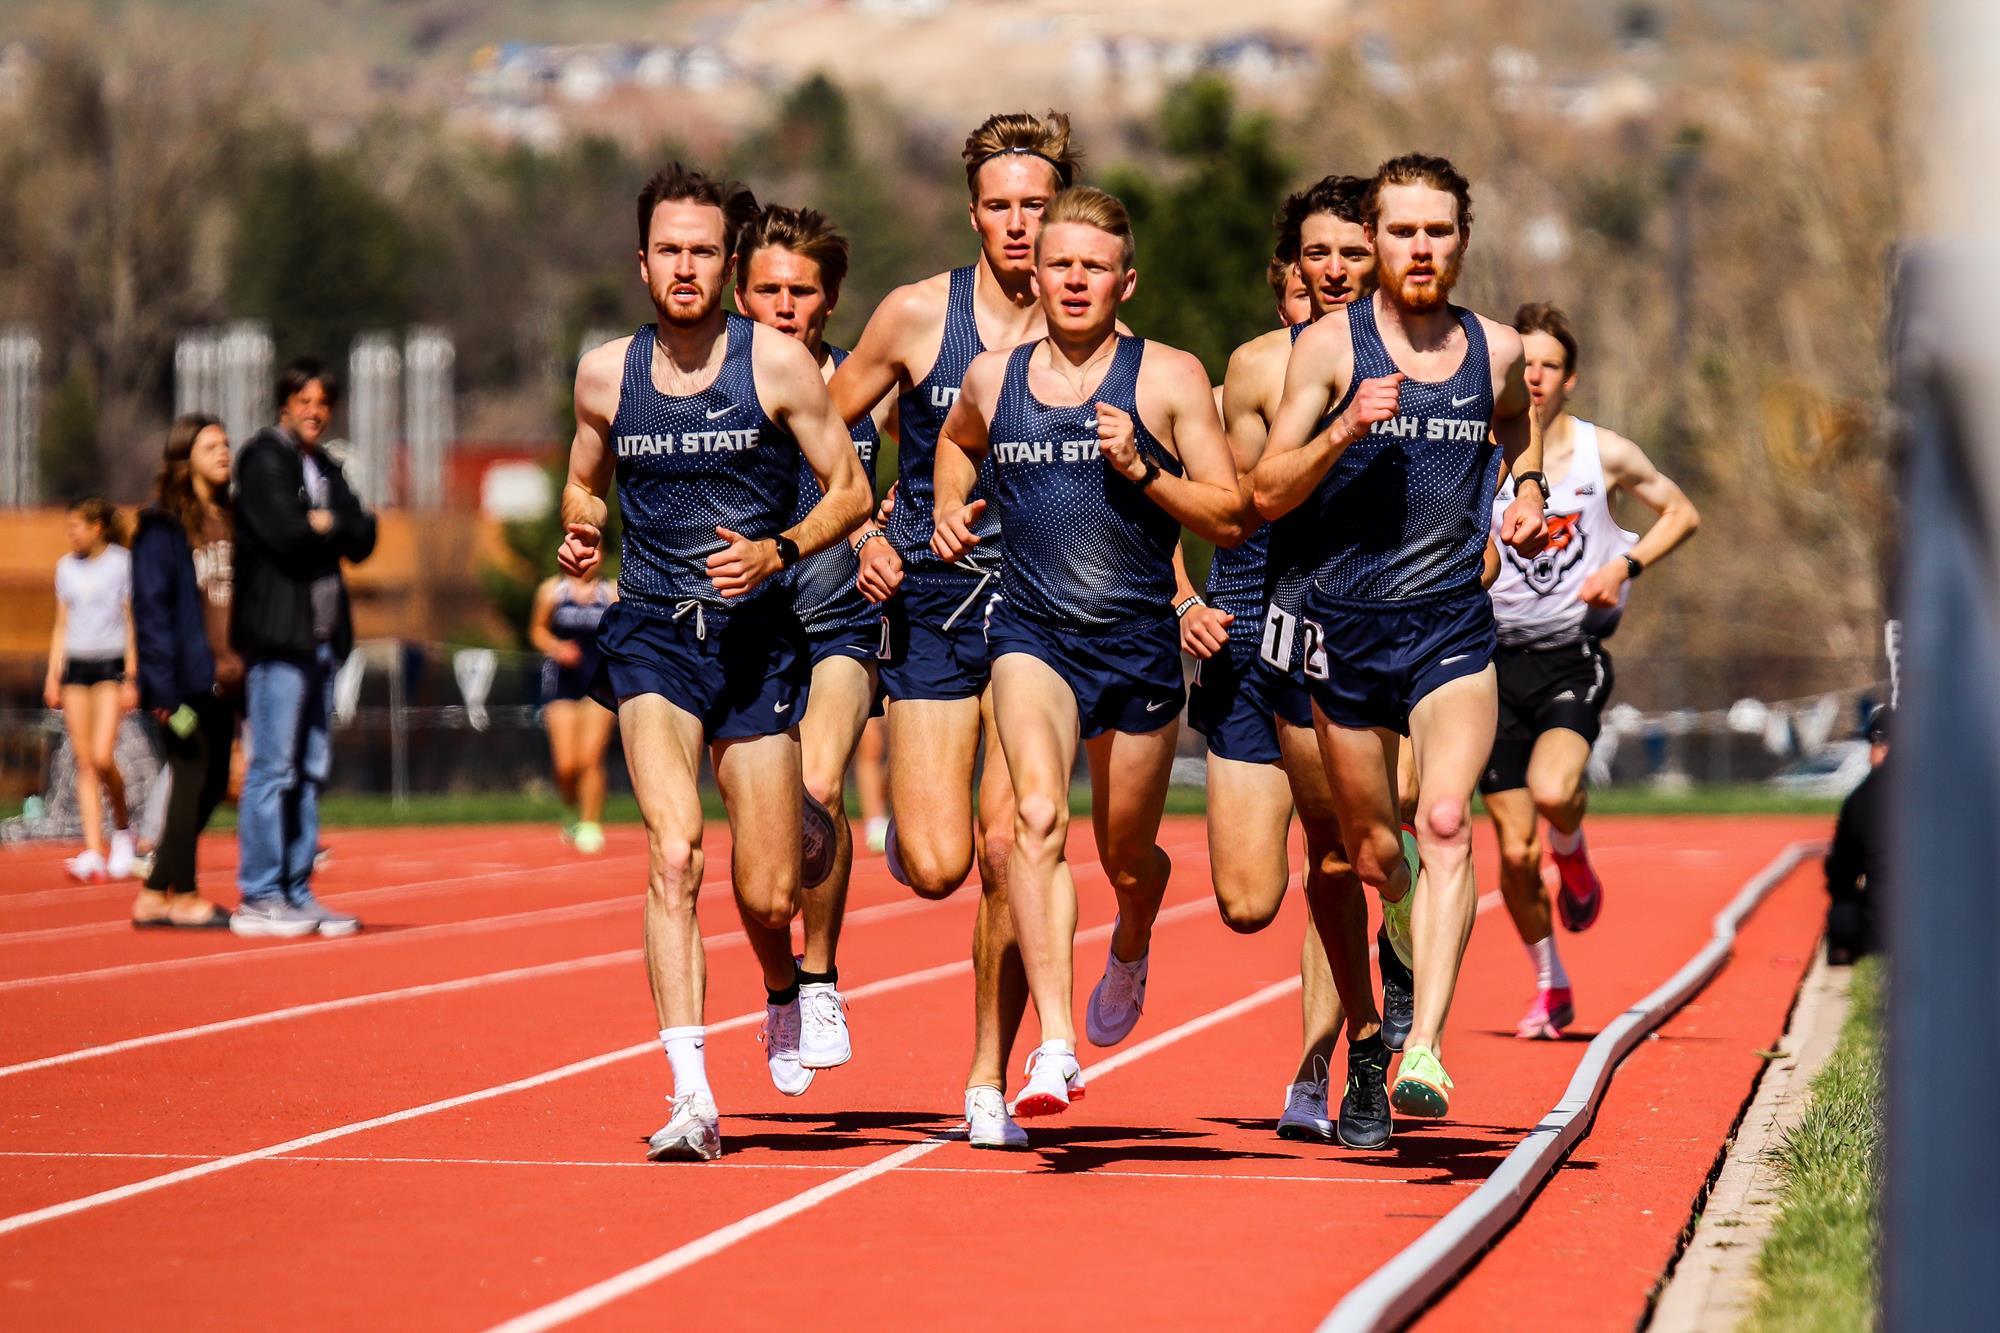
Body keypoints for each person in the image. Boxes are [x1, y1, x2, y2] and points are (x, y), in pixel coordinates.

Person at [557, 163, 871, 1162]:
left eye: (702, 251)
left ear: (725, 263)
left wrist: (779, 550)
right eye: (669, 251)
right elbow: (583, 480)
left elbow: (851, 489)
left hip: (756, 639)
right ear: (641, 262)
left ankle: (785, 983)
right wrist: (581, 526)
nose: (684, 267)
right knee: (674, 851)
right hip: (653, 632)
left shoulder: (775, 364)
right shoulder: (605, 375)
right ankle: (691, 1095)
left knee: (771, 891)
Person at [931, 185, 1246, 1119]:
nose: (1074, 280)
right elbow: (956, 441)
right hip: (1031, 634)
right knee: (1033, 817)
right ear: (1034, 273)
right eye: (1060, 263)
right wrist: (948, 504)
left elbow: (1229, 516)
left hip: (1138, 644)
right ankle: (1056, 1047)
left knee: (1125, 854)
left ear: (1125, 281)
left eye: (1094, 267)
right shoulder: (993, 377)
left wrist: (1144, 467)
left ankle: (1135, 930)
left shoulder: (1169, 378)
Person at [1252, 154, 1549, 1132]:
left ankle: (1424, 1046)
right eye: (1402, 231)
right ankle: (1392, 974)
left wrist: (1526, 491)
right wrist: (1344, 427)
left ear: (1461, 239)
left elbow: (1518, 427)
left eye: (1437, 231)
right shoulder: (1328, 349)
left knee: (1448, 819)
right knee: (1376, 855)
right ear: (1375, 239)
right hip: (1342, 635)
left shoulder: (1495, 348)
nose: (1420, 248)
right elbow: (1266, 491)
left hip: (1449, 630)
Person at [828, 110, 1081, 1150]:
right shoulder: (915, 316)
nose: (1019, 224)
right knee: (936, 863)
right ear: (972, 212)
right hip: (934, 599)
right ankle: (905, 834)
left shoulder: (1087, 321)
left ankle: (986, 1074)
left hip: (1044, 609)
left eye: (1036, 205)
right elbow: (819, 424)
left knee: (1007, 845)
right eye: (1000, 205)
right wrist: (861, 530)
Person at [1177, 173, 1402, 1148]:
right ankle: (1383, 966)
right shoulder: (1254, 370)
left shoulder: (1431, 362)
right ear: (1289, 270)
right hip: (1260, 628)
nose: (1333, 272)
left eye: (1354, 252)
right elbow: (1224, 504)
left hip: (1376, 633)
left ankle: (1338, 1059)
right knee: (1248, 898)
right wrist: (1184, 597)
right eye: (1317, 256)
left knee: (1355, 849)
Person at [1479, 302, 1701, 1038]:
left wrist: (1624, 566)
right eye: (1525, 365)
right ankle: (1550, 982)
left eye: (1548, 366)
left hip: (1571, 655)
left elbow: (1681, 513)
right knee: (1514, 851)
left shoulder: (1602, 453)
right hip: (1489, 664)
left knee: (1553, 790)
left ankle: (1572, 854)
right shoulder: (1479, 449)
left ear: (1569, 378)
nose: (1534, 377)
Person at [734, 202, 897, 1075]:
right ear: (741, 295)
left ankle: (822, 973)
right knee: (764, 847)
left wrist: (903, 517)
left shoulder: (865, 381)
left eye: (802, 291)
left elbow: (942, 451)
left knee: (821, 786)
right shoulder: (717, 387)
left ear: (829, 299)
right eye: (768, 290)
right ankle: (778, 990)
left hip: (840, 623)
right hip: (746, 630)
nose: (785, 306)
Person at [231, 357, 379, 938]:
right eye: (305, 401)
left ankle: (296, 889)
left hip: (320, 641)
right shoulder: (263, 457)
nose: (315, 412)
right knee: (274, 768)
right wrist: (325, 524)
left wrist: (328, 523)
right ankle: (260, 893)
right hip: (279, 638)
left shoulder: (324, 464)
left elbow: (363, 535)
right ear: (284, 404)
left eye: (323, 403)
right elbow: (286, 535)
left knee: (311, 770)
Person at [129, 414, 240, 928]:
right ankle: (186, 894)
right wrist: (162, 694)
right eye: (210, 446)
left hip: (226, 678)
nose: (223, 453)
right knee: (192, 777)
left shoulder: (233, 519)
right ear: (184, 458)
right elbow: (151, 613)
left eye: (226, 444)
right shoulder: (162, 527)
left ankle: (155, 893)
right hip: (183, 685)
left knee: (214, 782)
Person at [45, 496, 139, 884]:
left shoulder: (121, 563)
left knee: (102, 756)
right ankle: (93, 850)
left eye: (76, 527)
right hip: (76, 668)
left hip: (110, 667)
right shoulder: (65, 567)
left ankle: (122, 830)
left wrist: (132, 675)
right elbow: (61, 624)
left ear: (97, 527)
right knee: (84, 762)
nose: (71, 535)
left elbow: (131, 620)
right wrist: (53, 674)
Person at [529, 570, 618, 854]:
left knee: (590, 758)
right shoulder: (552, 590)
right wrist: (557, 647)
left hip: (599, 685)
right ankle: (570, 808)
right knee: (566, 764)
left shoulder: (610, 591)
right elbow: (537, 630)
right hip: (562, 685)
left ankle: (591, 823)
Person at [1824, 704, 1889, 965]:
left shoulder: (1864, 797)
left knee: (1843, 914)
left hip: (1885, 921)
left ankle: (1846, 952)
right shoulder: (1949, 789)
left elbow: (1841, 868)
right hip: (1952, 914)